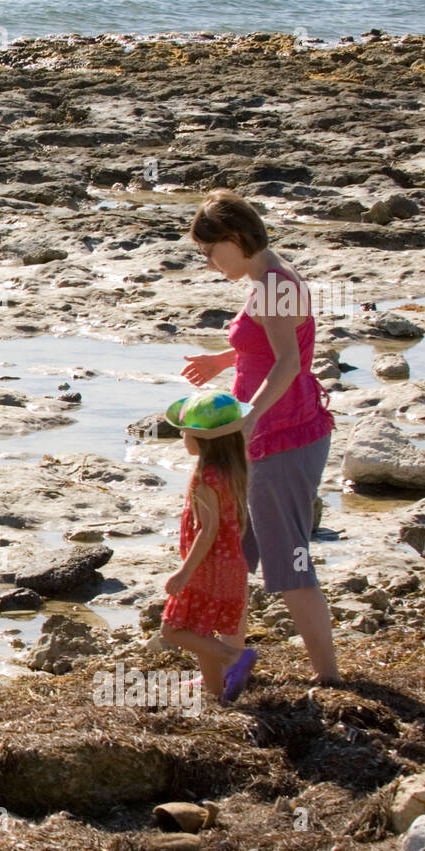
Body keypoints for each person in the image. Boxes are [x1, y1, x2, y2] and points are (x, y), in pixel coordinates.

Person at [180, 189, 341, 684]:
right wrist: (222, 362)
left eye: (211, 252)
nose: (209, 263)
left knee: (290, 562)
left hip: (284, 439)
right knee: (232, 555)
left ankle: (330, 679)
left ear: (234, 237)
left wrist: (248, 416)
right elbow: (271, 344)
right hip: (264, 437)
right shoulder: (269, 277)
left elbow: (291, 363)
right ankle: (232, 667)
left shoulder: (275, 284)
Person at [160, 392, 256, 703]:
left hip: (207, 566)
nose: (182, 437)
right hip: (231, 563)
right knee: (201, 633)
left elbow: (208, 529)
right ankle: (218, 697)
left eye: (185, 432)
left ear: (202, 439)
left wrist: (184, 573)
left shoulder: (204, 478)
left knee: (172, 631)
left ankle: (232, 657)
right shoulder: (233, 470)